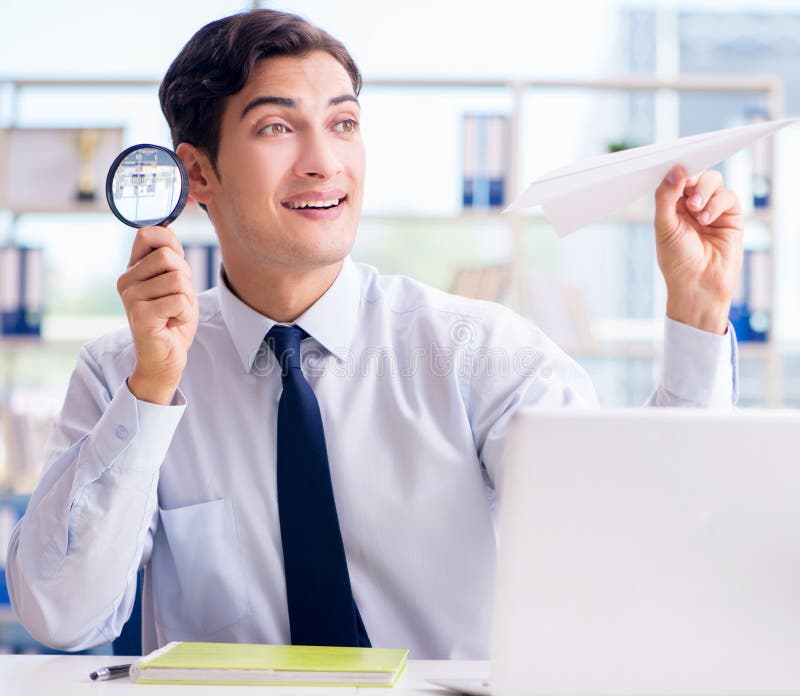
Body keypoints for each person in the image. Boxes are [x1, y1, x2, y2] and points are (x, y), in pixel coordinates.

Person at [6, 9, 743, 659]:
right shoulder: (123, 372)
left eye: (343, 124)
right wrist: (151, 393)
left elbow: (634, 543)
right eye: (276, 127)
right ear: (196, 175)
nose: (323, 162)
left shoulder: (478, 354)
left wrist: (699, 315)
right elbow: (64, 618)